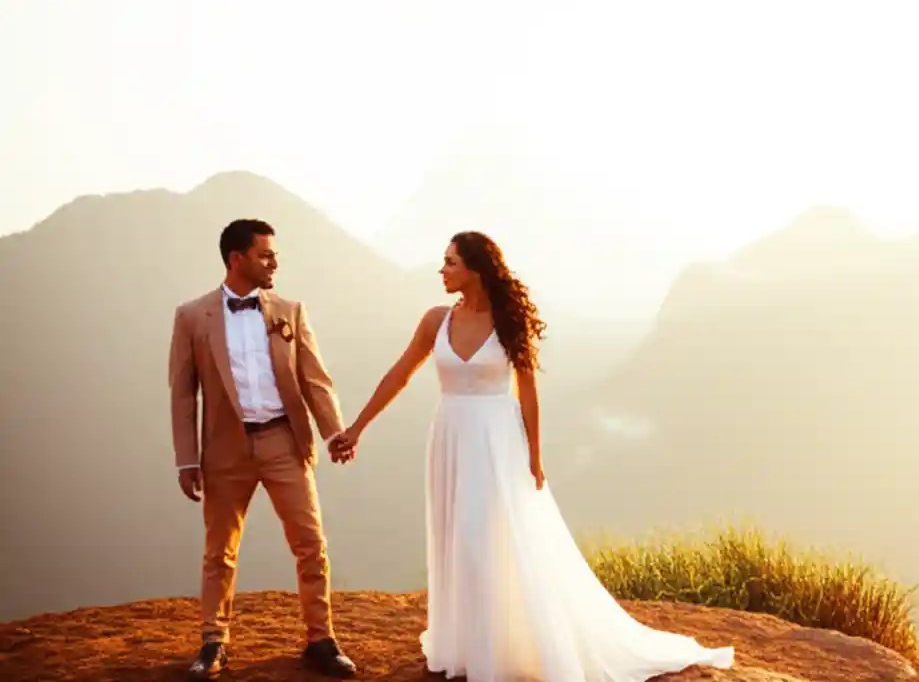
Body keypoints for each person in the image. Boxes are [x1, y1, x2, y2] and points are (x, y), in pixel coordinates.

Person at [329, 231, 734, 681]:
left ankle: (496, 654)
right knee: (457, 539)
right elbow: (399, 374)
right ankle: (467, 645)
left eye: (450, 262)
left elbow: (528, 392)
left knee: (482, 539)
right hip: (449, 437)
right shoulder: (434, 320)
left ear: (476, 270)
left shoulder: (508, 320)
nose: (441, 270)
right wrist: (356, 428)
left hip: (497, 441)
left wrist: (535, 455)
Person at [168, 219, 357, 679]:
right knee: (220, 550)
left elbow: (315, 378)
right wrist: (187, 459)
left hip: (282, 441)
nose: (275, 262)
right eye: (265, 255)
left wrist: (335, 433)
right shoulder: (193, 316)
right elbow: (181, 393)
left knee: (310, 542)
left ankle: (321, 639)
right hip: (223, 448)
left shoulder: (289, 310)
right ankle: (214, 643)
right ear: (237, 259)